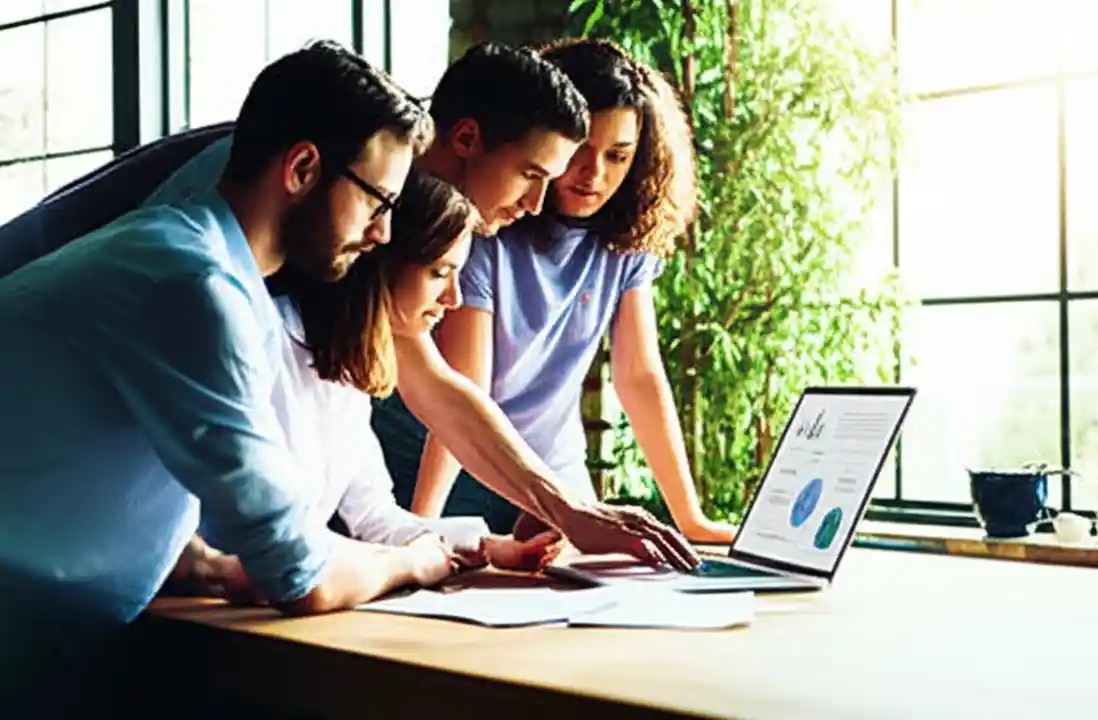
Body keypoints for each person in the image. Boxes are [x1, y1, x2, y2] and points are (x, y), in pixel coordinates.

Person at [0, 41, 697, 572]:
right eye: (530, 175)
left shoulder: (375, 223)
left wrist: (561, 512)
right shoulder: (290, 205)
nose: (535, 206)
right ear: (465, 143)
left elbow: (432, 386)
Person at [0, 41, 456, 707]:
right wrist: (415, 560)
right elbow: (301, 577)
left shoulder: (176, 253)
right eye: (375, 200)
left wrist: (210, 566)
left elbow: (88, 480)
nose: (384, 233)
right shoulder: (194, 286)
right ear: (302, 168)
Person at [167, 167, 565, 600]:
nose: (454, 298)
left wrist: (489, 548)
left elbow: (375, 518)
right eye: (438, 272)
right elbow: (263, 540)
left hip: (272, 596)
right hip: (201, 602)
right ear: (383, 260)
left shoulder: (346, 372)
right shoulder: (263, 340)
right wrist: (408, 564)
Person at [401, 38, 736, 543]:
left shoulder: (623, 243)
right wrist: (421, 525)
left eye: (618, 157)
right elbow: (458, 391)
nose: (593, 175)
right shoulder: (485, 223)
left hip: (554, 472)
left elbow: (640, 376)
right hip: (461, 470)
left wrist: (689, 518)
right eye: (578, 153)